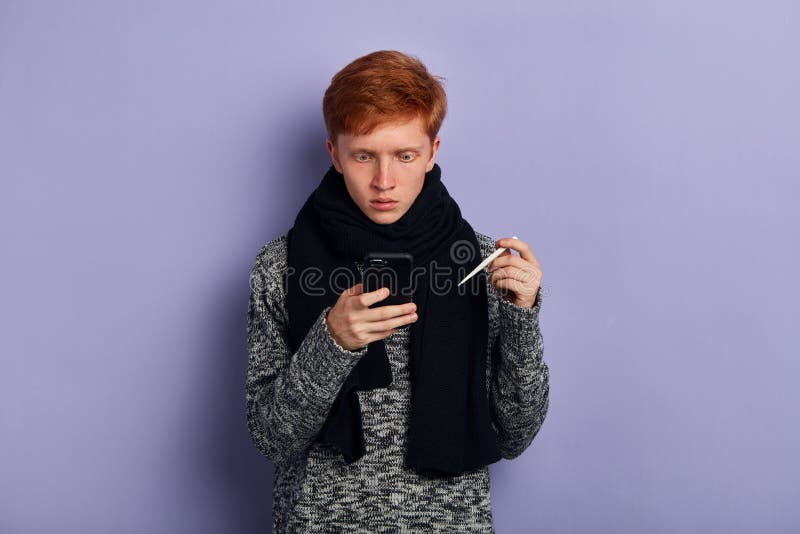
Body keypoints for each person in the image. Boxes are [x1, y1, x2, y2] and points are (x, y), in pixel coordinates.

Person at [246, 49, 549, 533]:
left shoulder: (485, 264)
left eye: (405, 156)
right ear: (334, 154)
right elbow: (271, 439)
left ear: (432, 152)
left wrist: (522, 318)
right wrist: (331, 343)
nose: (384, 182)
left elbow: (515, 435)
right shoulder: (280, 266)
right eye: (363, 155)